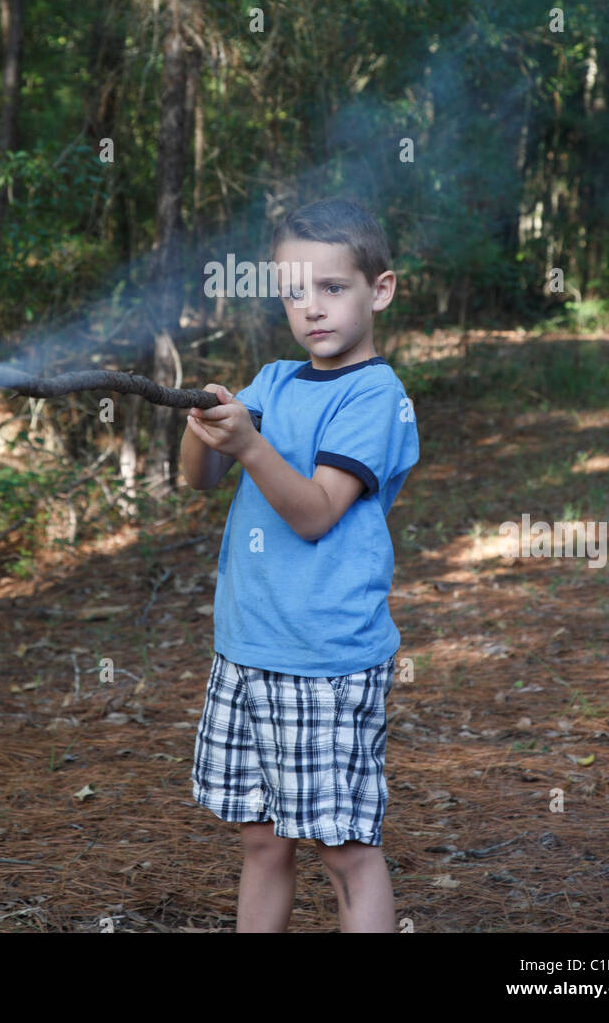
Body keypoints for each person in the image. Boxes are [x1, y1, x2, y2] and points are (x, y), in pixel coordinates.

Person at [180, 198, 419, 933]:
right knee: (262, 837)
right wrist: (205, 422)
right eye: (292, 291)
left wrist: (250, 444)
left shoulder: (374, 396)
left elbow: (316, 512)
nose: (310, 308)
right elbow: (199, 480)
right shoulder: (275, 380)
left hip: (325, 658)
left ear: (379, 290)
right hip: (249, 646)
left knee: (343, 849)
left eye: (331, 288)